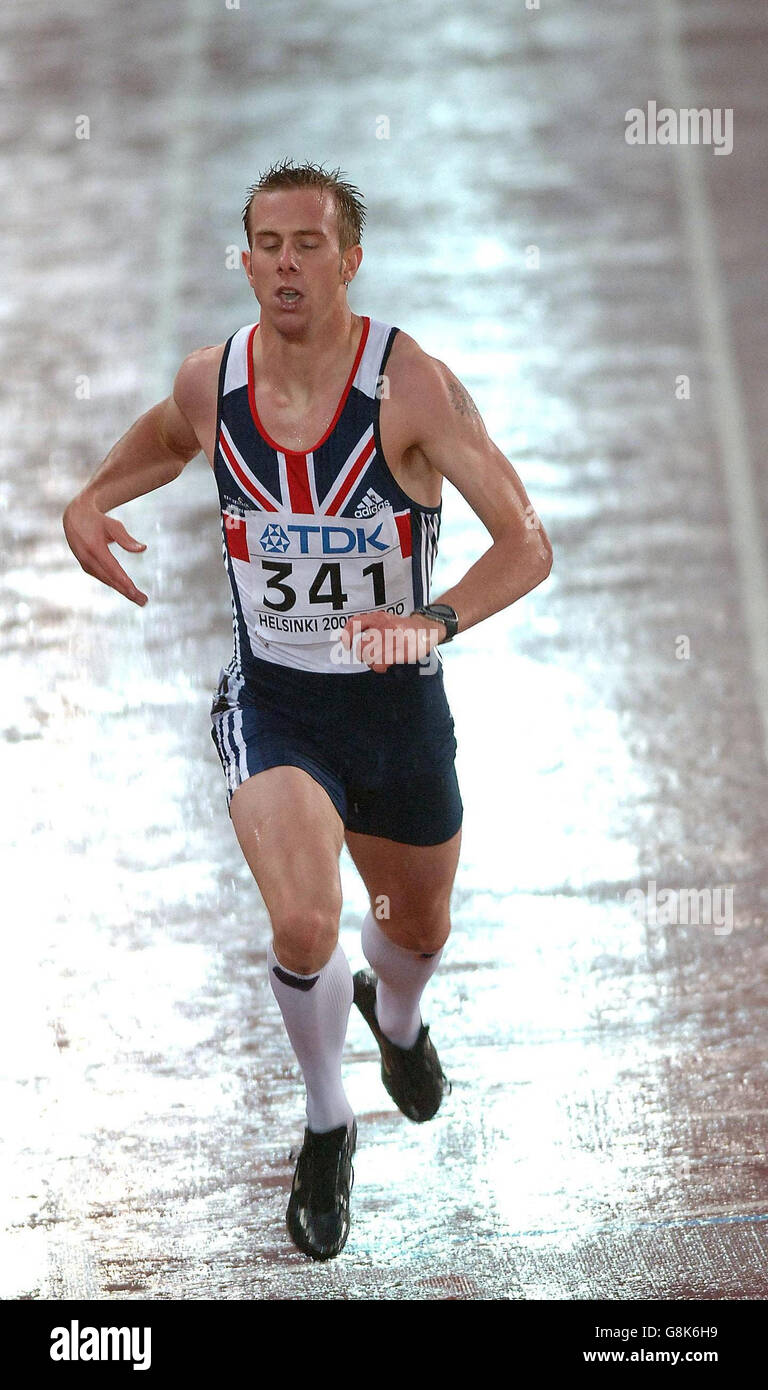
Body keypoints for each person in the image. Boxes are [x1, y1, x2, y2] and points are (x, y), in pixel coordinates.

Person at [62, 159, 553, 1262]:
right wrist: (90, 497)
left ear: (350, 259)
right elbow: (167, 437)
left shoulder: (410, 385)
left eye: (308, 246)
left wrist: (432, 621)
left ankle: (399, 1016)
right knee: (302, 922)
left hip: (397, 712)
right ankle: (328, 1121)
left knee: (416, 928)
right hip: (274, 705)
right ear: (246, 260)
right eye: (266, 246)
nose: (286, 265)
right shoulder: (214, 382)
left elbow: (527, 541)